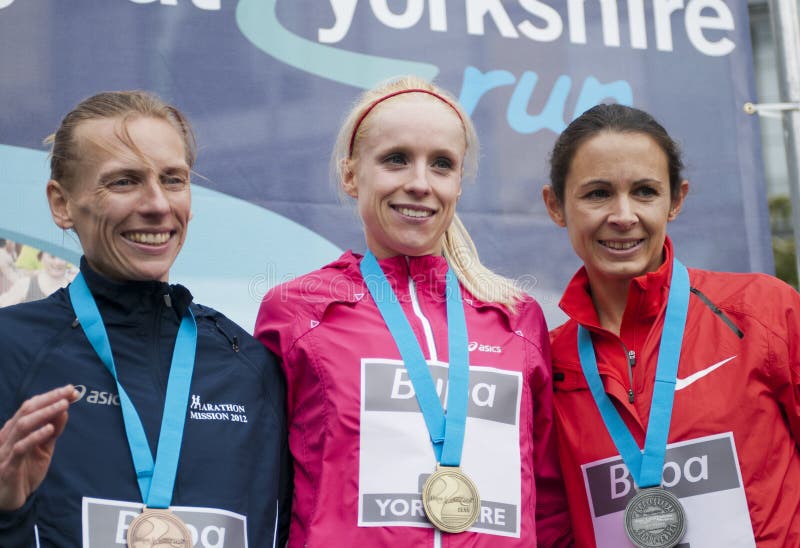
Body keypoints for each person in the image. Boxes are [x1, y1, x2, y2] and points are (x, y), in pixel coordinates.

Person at [254, 75, 571, 547]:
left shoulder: (516, 318)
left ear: (459, 184)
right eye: (396, 159)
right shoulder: (298, 311)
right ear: (350, 173)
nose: (420, 183)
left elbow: (546, 507)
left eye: (442, 165)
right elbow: (261, 491)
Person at [0, 91, 290, 547]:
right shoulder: (11, 350)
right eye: (123, 182)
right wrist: (5, 511)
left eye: (173, 179)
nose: (157, 204)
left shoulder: (250, 367)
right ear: (62, 203)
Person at [542, 103, 800, 547]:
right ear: (556, 205)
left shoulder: (762, 310)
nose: (623, 216)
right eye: (597, 193)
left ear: (675, 200)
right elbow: (552, 525)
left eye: (644, 191)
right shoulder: (548, 362)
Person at [0, 251, 75, 307]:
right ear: (41, 256)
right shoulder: (25, 285)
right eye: (52, 256)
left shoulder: (73, 290)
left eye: (63, 257)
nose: (58, 262)